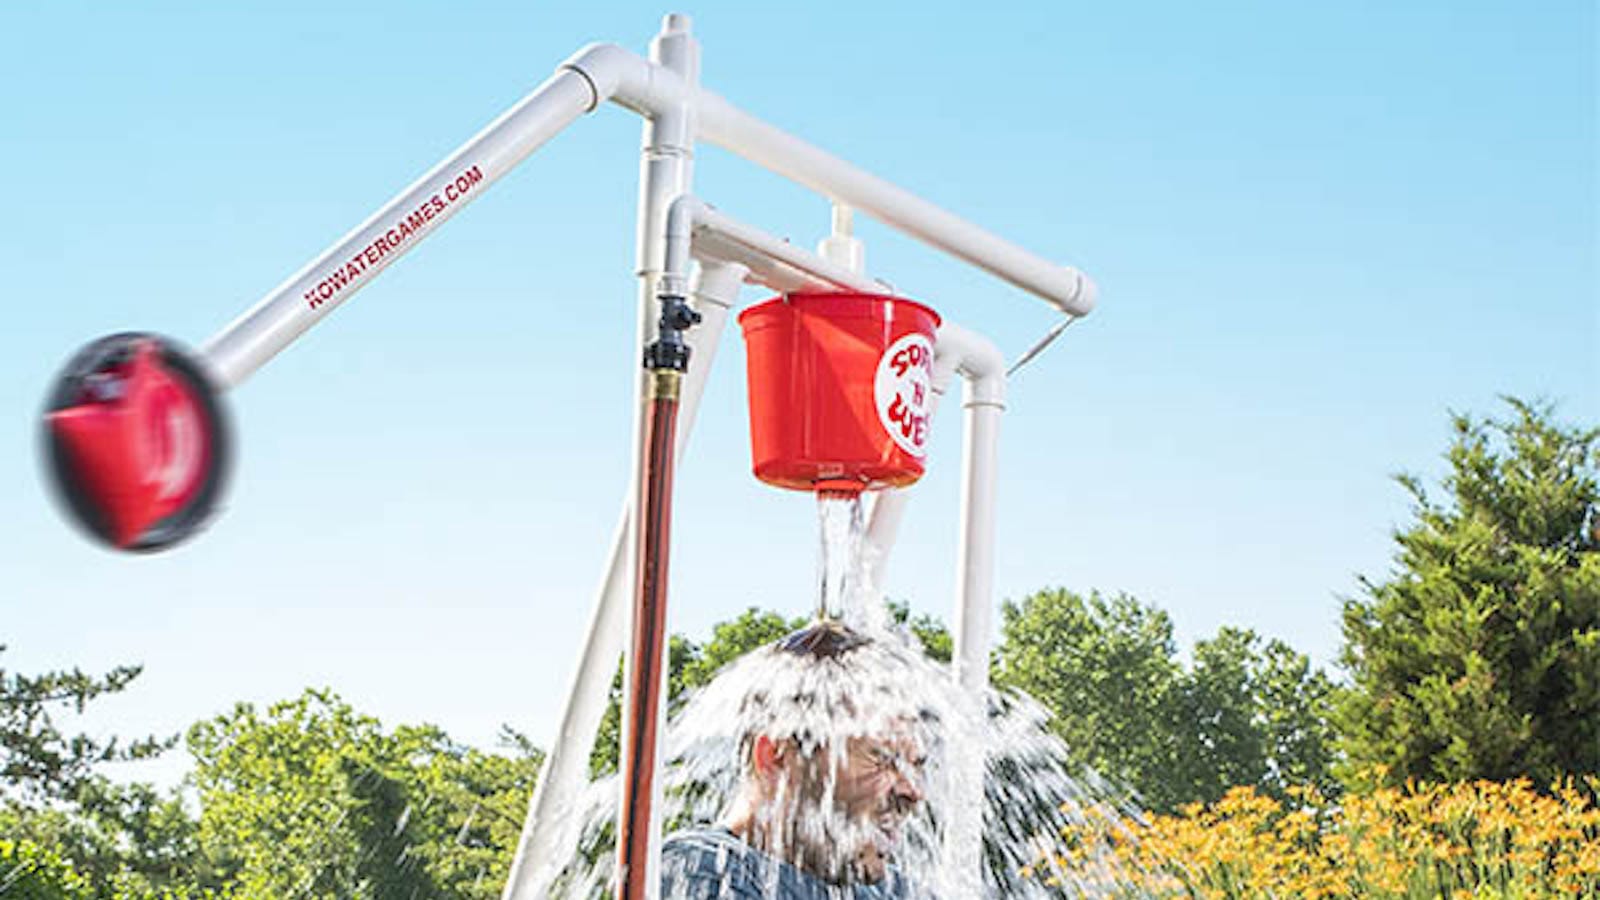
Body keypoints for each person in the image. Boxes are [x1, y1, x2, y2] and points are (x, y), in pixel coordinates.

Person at [659, 621, 937, 899]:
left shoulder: (890, 890)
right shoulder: (703, 870)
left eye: (916, 765)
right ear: (775, 757)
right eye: (884, 758)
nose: (914, 792)